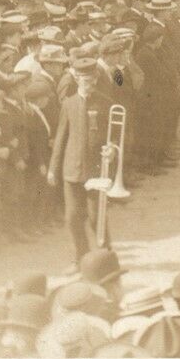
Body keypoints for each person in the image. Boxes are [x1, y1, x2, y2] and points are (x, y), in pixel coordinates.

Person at [47, 57, 107, 265]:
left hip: (96, 170)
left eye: (93, 80)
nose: (91, 84)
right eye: (86, 80)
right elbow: (61, 138)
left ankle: (106, 255)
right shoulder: (68, 103)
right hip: (71, 170)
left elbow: (114, 136)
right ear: (77, 79)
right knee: (72, 219)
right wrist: (53, 169)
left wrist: (113, 151)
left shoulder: (104, 102)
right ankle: (82, 257)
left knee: (95, 217)